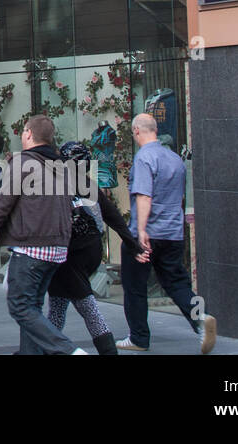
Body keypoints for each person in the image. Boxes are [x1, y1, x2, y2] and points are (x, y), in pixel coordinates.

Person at [0, 114, 83, 355]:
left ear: (30, 134)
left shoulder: (23, 163)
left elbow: (2, 204)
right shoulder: (61, 167)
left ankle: (69, 351)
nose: (22, 135)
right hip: (57, 248)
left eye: (23, 131)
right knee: (32, 306)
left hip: (31, 247)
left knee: (20, 306)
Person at [117, 113, 217, 354]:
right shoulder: (174, 159)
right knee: (177, 282)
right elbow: (180, 198)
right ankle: (199, 317)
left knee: (134, 287)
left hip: (147, 234)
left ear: (137, 131)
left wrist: (140, 231)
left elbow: (143, 195)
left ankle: (139, 337)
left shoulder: (144, 158)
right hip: (172, 233)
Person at [46, 142, 142, 355]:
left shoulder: (58, 185)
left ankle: (107, 351)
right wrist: (132, 244)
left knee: (87, 307)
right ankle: (43, 350)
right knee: (58, 304)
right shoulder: (88, 184)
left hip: (71, 255)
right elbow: (113, 216)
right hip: (90, 252)